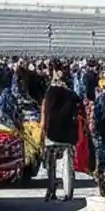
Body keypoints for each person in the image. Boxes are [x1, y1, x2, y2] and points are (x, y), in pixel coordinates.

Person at [41, 63, 82, 201]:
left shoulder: (49, 93)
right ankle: (68, 192)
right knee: (67, 164)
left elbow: (44, 113)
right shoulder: (72, 94)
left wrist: (42, 130)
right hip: (68, 134)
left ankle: (51, 190)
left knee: (50, 163)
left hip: (51, 133)